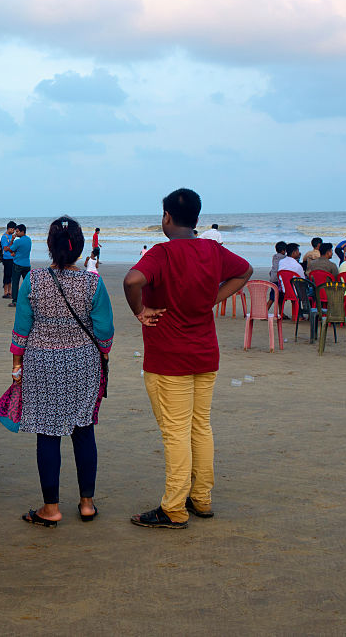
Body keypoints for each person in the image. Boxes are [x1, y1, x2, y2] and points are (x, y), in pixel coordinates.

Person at [123, 189, 251, 529]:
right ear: (196, 218)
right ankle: (202, 497)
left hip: (169, 359)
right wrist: (213, 298)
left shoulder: (161, 254)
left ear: (166, 216)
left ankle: (175, 508)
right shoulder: (212, 249)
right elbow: (245, 271)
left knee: (176, 432)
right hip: (205, 355)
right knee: (200, 426)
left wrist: (140, 310)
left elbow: (131, 280)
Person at [12, 217, 113, 526]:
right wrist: (98, 355)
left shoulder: (33, 280)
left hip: (41, 364)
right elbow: (105, 333)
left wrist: (16, 365)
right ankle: (86, 503)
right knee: (84, 431)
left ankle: (51, 508)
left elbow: (21, 331)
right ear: (81, 246)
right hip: (83, 364)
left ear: (49, 247)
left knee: (48, 434)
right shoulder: (93, 282)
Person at [6, 223, 32, 307]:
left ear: (22, 232)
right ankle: (29, 299)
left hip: (18, 264)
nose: (15, 233)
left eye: (17, 231)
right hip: (27, 264)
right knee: (27, 282)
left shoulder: (18, 241)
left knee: (15, 282)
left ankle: (15, 301)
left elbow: (10, 249)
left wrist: (12, 240)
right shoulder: (29, 240)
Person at [0, 221, 17, 299]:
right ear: (10, 228)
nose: (14, 231)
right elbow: (5, 248)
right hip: (7, 258)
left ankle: (10, 291)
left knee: (11, 275)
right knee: (7, 275)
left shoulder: (11, 236)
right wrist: (12, 240)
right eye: (13, 230)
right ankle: (6, 292)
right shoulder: (4, 237)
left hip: (12, 258)